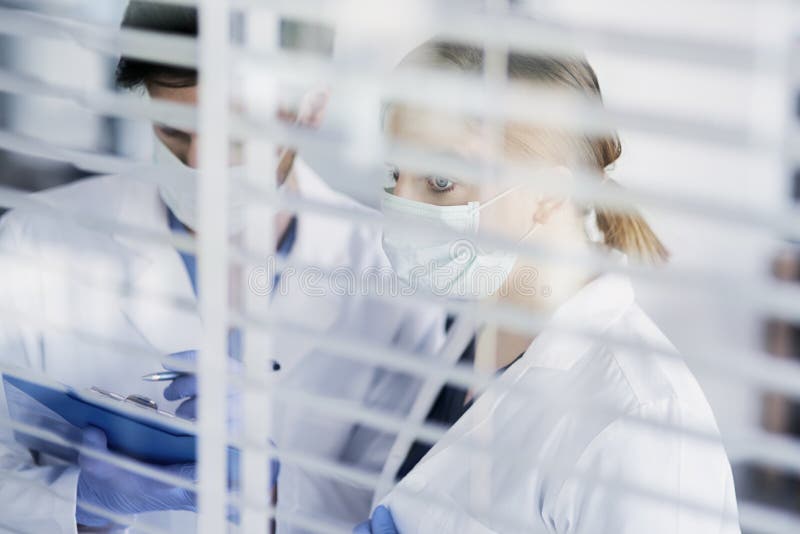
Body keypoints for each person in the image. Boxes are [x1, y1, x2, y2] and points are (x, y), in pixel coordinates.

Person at [0, 4, 445, 533]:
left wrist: (274, 490)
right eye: (174, 129)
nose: (199, 166)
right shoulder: (37, 243)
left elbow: (396, 503)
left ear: (313, 107)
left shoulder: (388, 273)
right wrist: (78, 504)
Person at [358, 40, 741, 533]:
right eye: (395, 174)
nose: (400, 206)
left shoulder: (641, 420)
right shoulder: (473, 329)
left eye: (438, 180)